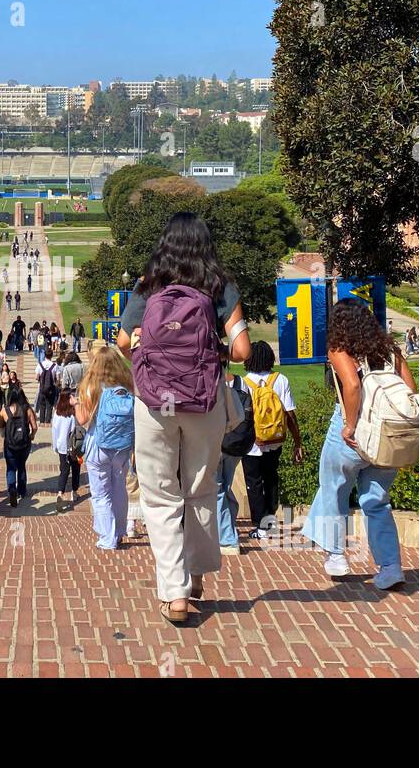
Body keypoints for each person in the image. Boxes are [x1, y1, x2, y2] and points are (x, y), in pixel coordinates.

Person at [116, 211, 252, 624]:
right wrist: (213, 354)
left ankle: (174, 593)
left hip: (157, 403)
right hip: (204, 399)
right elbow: (243, 351)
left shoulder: (149, 283)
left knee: (160, 495)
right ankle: (195, 576)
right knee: (199, 488)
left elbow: (123, 342)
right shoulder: (219, 285)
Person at [301, 299, 419, 590]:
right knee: (377, 501)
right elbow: (411, 390)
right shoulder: (389, 349)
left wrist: (350, 425)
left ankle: (337, 556)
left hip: (353, 434)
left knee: (333, 489)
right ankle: (391, 567)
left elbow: (351, 386)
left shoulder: (340, 349)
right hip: (388, 435)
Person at [234, 341, 304, 544]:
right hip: (275, 439)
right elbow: (290, 414)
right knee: (271, 477)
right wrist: (297, 442)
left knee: (254, 482)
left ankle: (260, 525)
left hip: (253, 442)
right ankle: (270, 519)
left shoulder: (244, 382)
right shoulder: (280, 380)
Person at [75, 346, 136, 550]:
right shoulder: (126, 386)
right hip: (122, 446)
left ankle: (107, 537)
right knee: (119, 489)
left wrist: (75, 403)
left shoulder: (92, 387)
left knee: (101, 493)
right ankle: (119, 532)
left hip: (98, 445)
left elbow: (83, 419)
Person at [0, 390, 38, 507]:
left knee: (11, 468)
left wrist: (4, 434)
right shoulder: (27, 410)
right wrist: (32, 436)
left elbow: (0, 425)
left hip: (10, 445)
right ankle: (22, 490)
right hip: (24, 444)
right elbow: (34, 427)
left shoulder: (5, 411)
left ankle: (12, 490)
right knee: (21, 466)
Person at [51, 390, 79, 509]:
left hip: (61, 446)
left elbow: (54, 431)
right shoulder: (73, 413)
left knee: (64, 470)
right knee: (75, 469)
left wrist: (55, 446)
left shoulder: (57, 414)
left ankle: (60, 493)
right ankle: (74, 491)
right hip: (73, 446)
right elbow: (75, 430)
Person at [35, 348, 58, 424]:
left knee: (42, 405)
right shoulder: (54, 366)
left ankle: (41, 422)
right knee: (50, 405)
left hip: (42, 388)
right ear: (51, 356)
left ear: (45, 355)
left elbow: (37, 377)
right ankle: (47, 422)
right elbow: (57, 378)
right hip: (51, 388)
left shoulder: (40, 364)